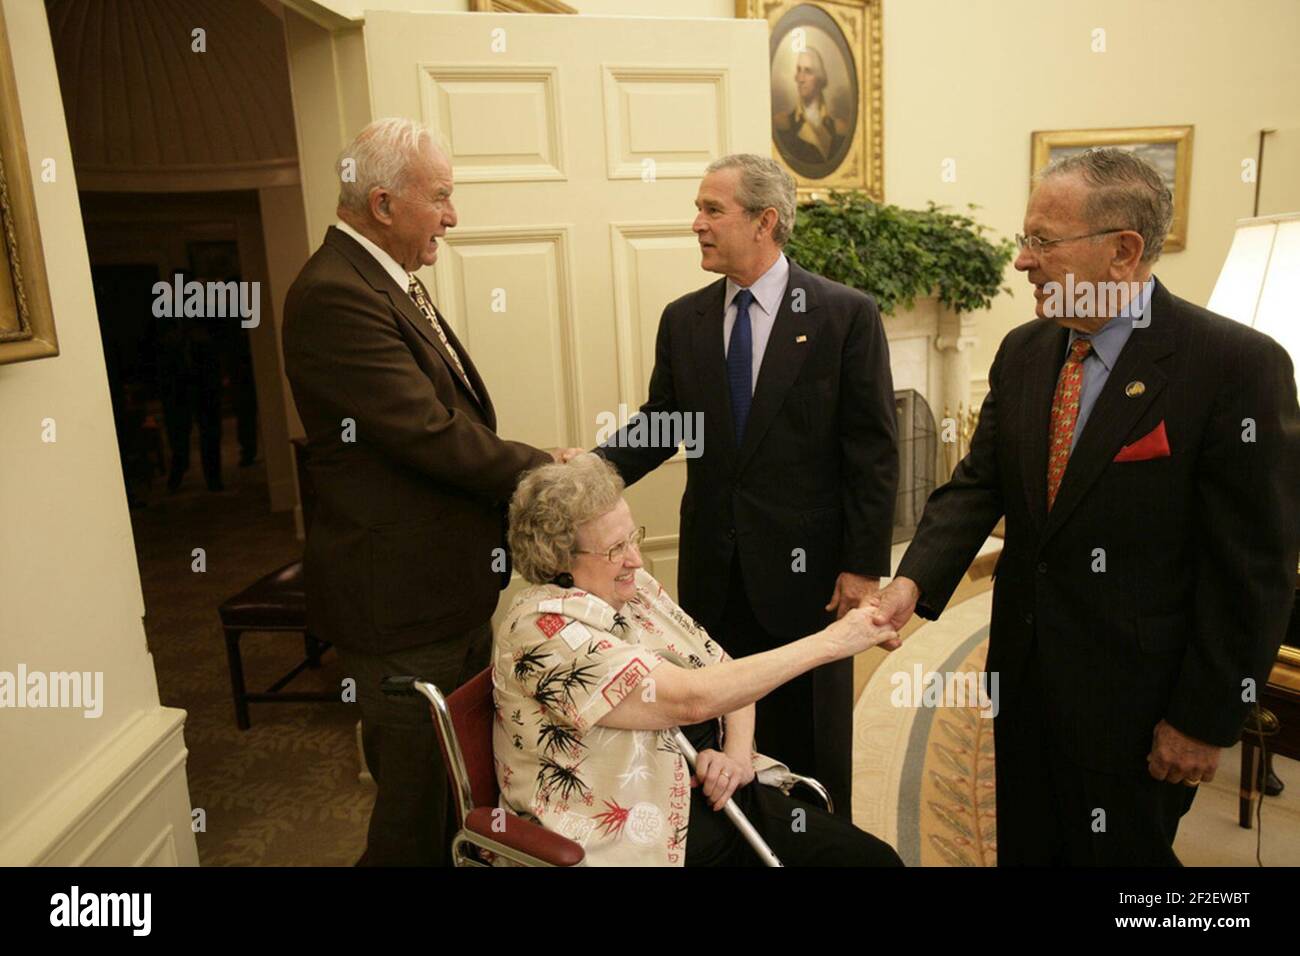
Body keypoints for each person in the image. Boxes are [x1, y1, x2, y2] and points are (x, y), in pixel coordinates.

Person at [871, 148, 1300, 865]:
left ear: (1123, 252)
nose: (1021, 261)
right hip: (1023, 677)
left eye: (1043, 241)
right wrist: (910, 583)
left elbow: (1253, 569)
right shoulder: (1025, 351)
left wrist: (1202, 718)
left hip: (1138, 702)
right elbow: (979, 484)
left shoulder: (1234, 368)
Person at [282, 118, 575, 866]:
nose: (453, 215)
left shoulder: (381, 277)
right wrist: (545, 465)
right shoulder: (333, 295)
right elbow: (426, 432)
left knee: (454, 798)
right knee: (412, 820)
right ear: (382, 203)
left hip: (441, 597)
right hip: (399, 610)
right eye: (441, 197)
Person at [593, 154, 898, 817]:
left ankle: (817, 847)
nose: (696, 223)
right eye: (698, 209)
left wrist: (864, 567)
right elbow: (665, 425)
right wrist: (588, 477)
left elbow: (871, 450)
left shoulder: (844, 315)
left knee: (807, 746)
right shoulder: (686, 319)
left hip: (810, 578)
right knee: (719, 741)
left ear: (764, 221)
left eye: (711, 209)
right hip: (715, 574)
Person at [494, 454, 904, 866]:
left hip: (717, 794)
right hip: (643, 833)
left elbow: (726, 675)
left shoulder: (634, 590)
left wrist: (737, 759)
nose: (635, 559)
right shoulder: (543, 633)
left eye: (632, 538)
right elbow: (692, 699)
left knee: (873, 860)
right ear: (559, 559)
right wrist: (833, 642)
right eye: (615, 549)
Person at [773, 48, 850, 171]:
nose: (801, 78)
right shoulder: (783, 124)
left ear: (819, 78)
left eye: (808, 71)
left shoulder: (839, 128)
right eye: (799, 70)